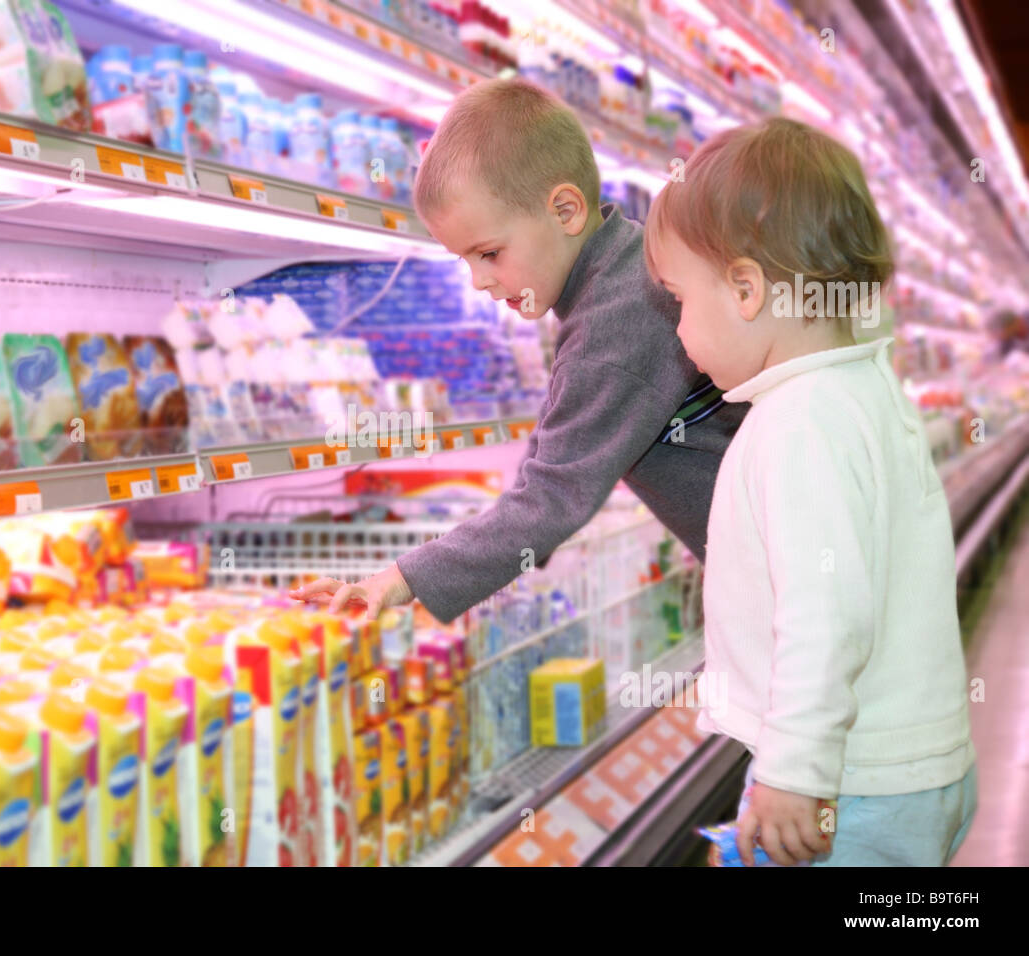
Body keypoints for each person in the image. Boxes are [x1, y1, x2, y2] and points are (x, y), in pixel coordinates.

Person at [291, 77, 746, 626]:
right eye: (466, 261)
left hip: (782, 574)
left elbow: (551, 497)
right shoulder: (618, 271)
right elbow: (551, 465)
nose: (479, 281)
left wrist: (403, 578)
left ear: (565, 211)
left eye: (489, 252)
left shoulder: (618, 321)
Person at [643, 116, 977, 866]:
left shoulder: (800, 424)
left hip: (846, 787)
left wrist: (794, 772)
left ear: (747, 289)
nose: (680, 334)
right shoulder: (863, 389)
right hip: (909, 769)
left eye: (681, 301)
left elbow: (825, 613)